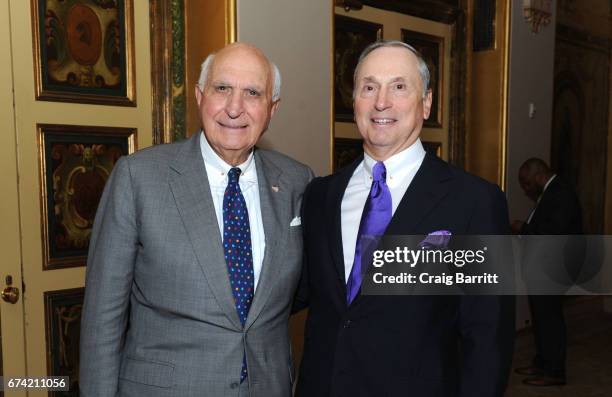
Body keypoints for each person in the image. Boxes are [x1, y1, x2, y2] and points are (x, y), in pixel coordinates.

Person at [80, 43, 313, 397]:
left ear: (272, 109)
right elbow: (102, 318)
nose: (235, 108)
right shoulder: (138, 177)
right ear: (200, 95)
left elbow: (298, 292)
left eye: (253, 93)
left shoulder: (298, 181)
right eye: (222, 89)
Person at [294, 40, 515, 396]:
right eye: (369, 87)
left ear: (426, 102)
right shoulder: (321, 196)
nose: (382, 101)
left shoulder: (474, 201)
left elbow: (488, 337)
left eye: (399, 86)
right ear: (354, 101)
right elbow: (298, 293)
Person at [512, 158, 582, 387]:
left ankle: (554, 371)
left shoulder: (560, 192)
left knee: (549, 320)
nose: (525, 189)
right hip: (544, 267)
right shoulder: (551, 191)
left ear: (539, 176)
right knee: (541, 319)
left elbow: (554, 232)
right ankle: (541, 362)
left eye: (526, 183)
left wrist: (524, 228)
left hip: (555, 267)